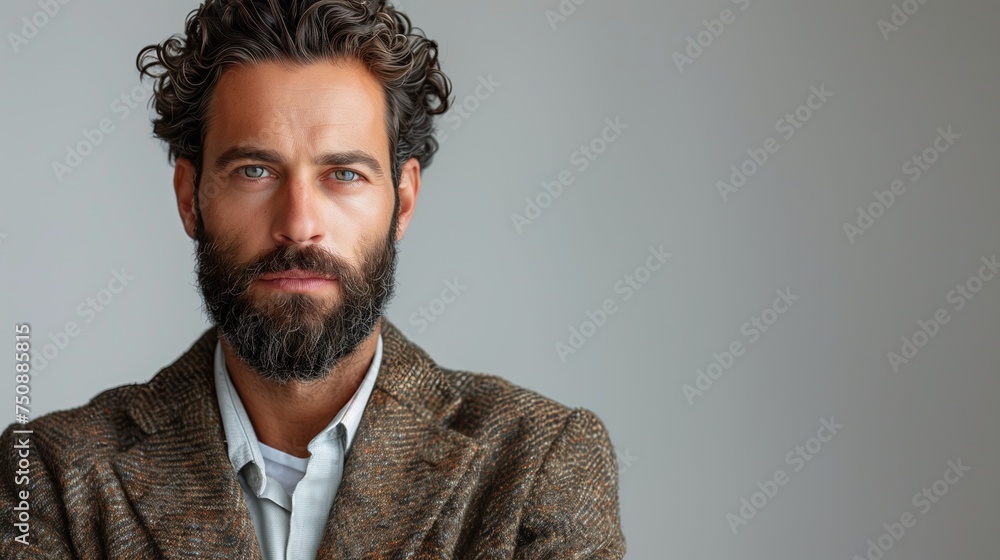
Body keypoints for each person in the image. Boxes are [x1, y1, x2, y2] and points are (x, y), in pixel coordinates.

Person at [0, 0, 625, 557]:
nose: (299, 226)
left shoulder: (535, 464)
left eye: (343, 175)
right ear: (191, 198)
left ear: (403, 201)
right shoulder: (50, 473)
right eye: (255, 171)